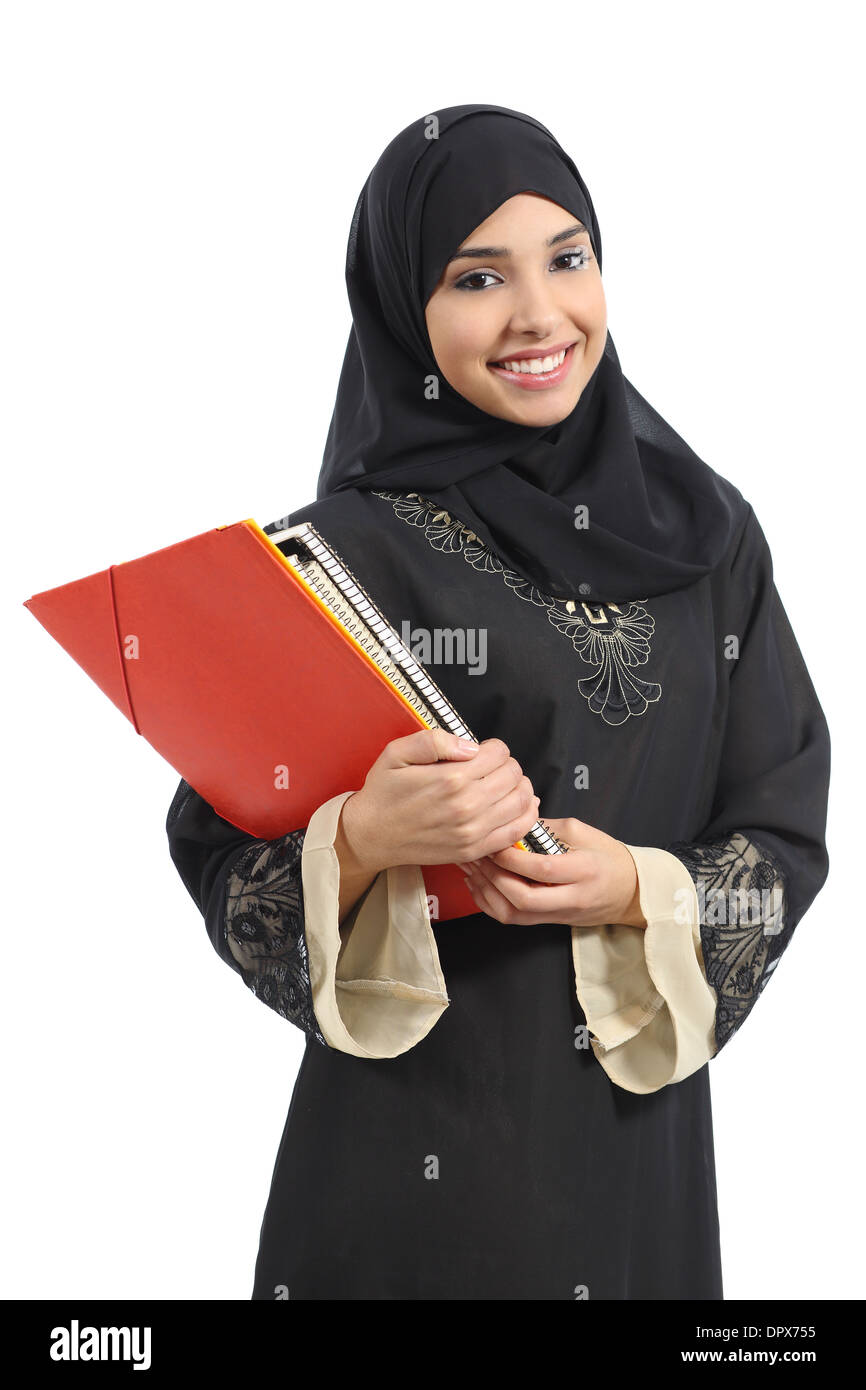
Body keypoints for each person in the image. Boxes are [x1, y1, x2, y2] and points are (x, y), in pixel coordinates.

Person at [165, 104, 831, 1300]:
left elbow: (782, 826)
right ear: (399, 307)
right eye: (477, 276)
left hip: (634, 1174)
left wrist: (636, 884)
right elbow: (222, 850)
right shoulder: (336, 558)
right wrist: (366, 840)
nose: (539, 315)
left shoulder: (705, 536)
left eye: (568, 258)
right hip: (403, 1174)